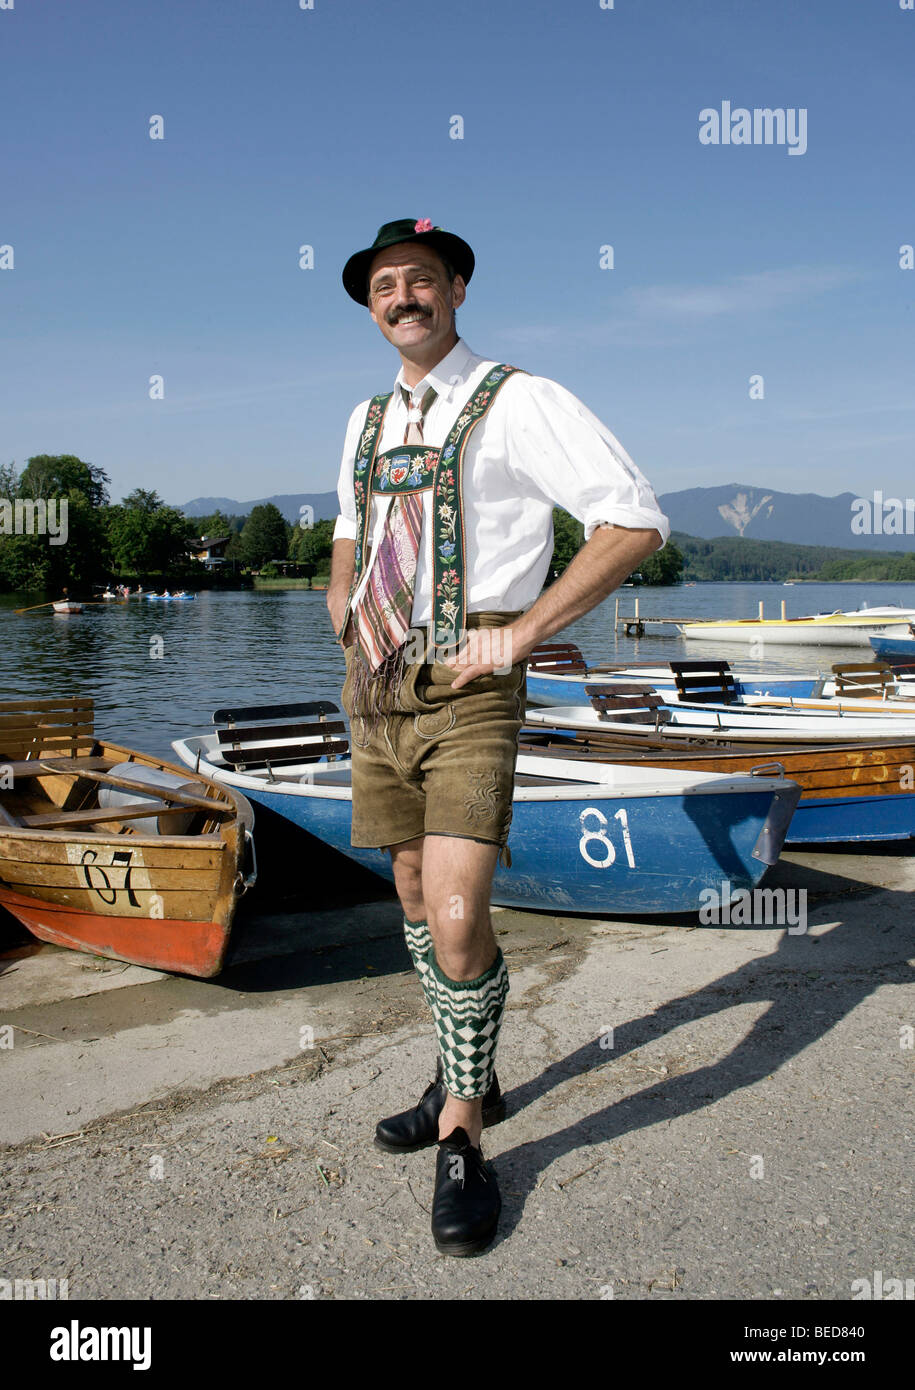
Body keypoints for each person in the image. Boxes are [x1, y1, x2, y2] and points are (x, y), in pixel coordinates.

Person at [328, 217, 669, 1257]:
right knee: (406, 886)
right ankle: (460, 1065)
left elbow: (633, 519)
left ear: (458, 289)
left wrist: (521, 633)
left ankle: (463, 1135)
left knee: (458, 902)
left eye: (421, 280)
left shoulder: (522, 400)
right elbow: (349, 522)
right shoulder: (364, 418)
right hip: (376, 680)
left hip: (474, 679)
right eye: (385, 285)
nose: (402, 298)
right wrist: (340, 594)